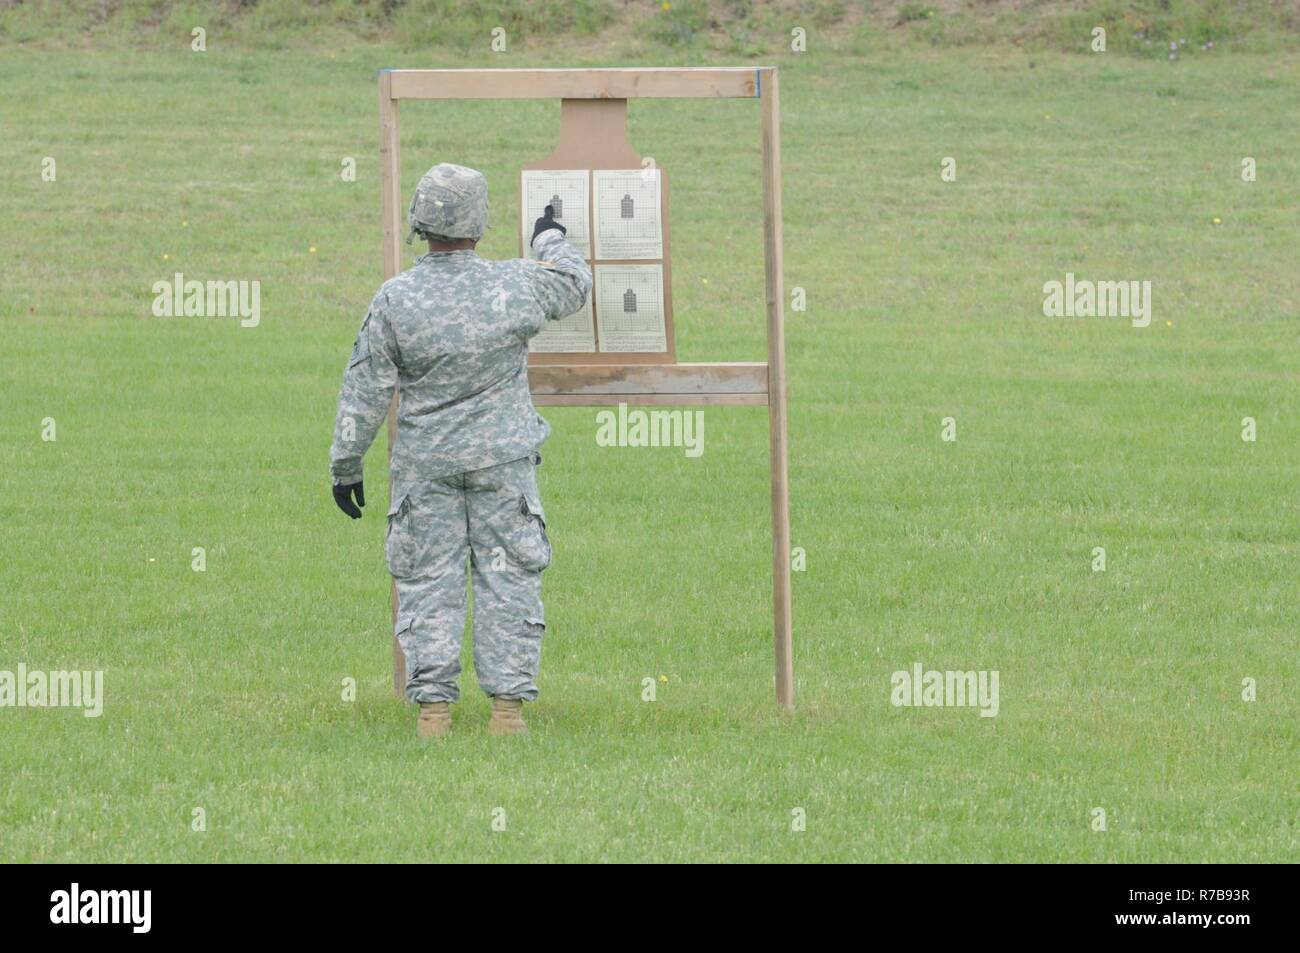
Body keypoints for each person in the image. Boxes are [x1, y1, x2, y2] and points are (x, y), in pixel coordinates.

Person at [329, 162, 591, 738]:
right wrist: (549, 236)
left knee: (428, 580)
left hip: (426, 467)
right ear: (480, 221)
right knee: (510, 577)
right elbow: (576, 285)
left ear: (421, 223)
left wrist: (347, 464)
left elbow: (365, 387)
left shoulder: (395, 298)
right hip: (503, 463)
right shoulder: (516, 283)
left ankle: (433, 714)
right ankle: (507, 713)